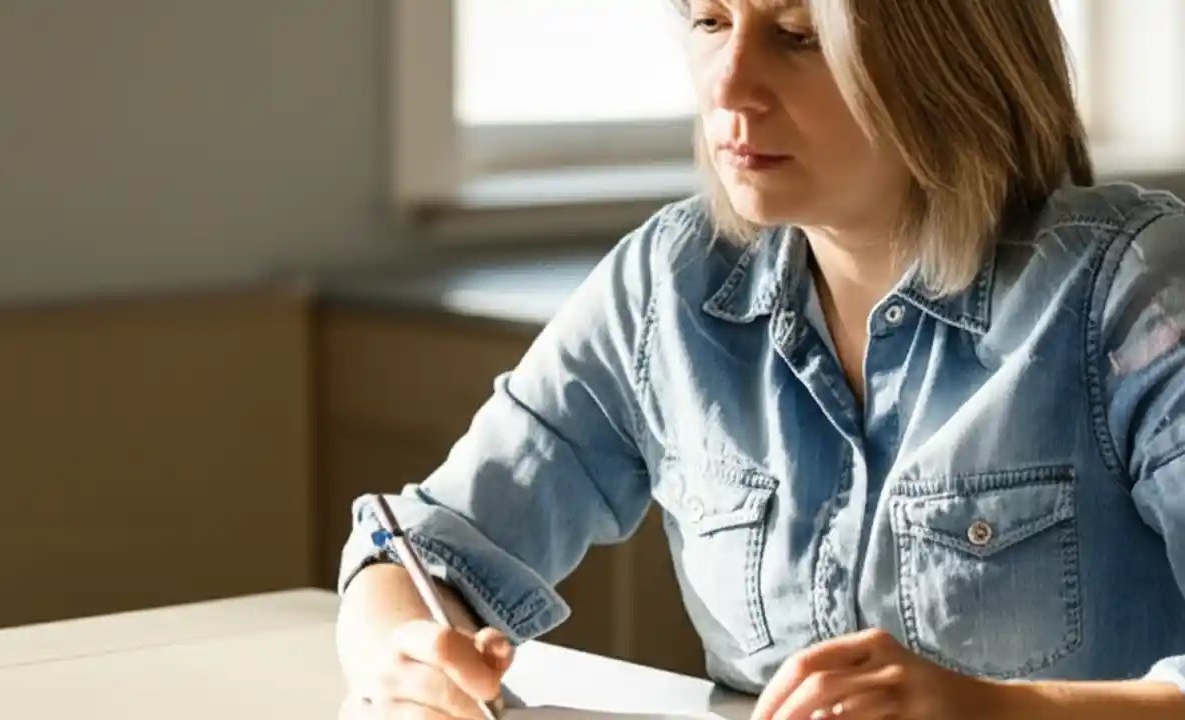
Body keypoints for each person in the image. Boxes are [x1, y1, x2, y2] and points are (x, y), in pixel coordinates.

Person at [335, 1, 1185, 718]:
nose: (728, 86)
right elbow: (419, 547)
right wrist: (403, 650)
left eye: (798, 36)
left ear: (946, 57)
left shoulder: (1134, 293)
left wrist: (1006, 710)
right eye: (711, 21)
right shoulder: (667, 284)